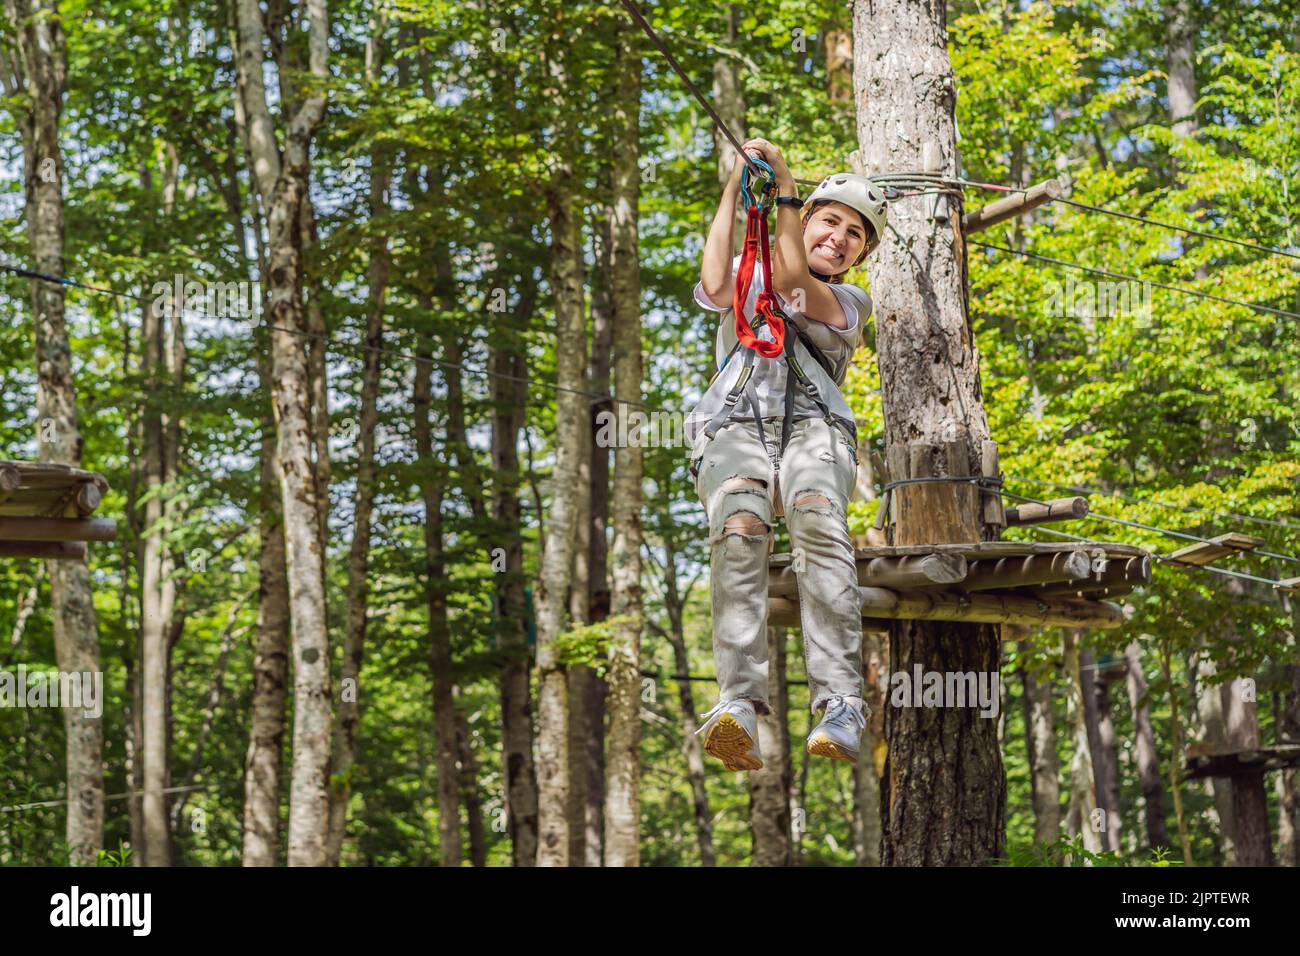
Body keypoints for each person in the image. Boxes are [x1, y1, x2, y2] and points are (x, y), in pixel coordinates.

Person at [686, 137, 887, 771]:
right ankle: (739, 700)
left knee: (818, 520)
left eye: (855, 234)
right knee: (740, 527)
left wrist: (790, 188)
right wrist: (738, 185)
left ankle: (840, 704)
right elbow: (716, 284)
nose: (841, 237)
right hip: (737, 419)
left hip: (813, 427)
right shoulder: (751, 276)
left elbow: (796, 282)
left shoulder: (850, 304)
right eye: (832, 220)